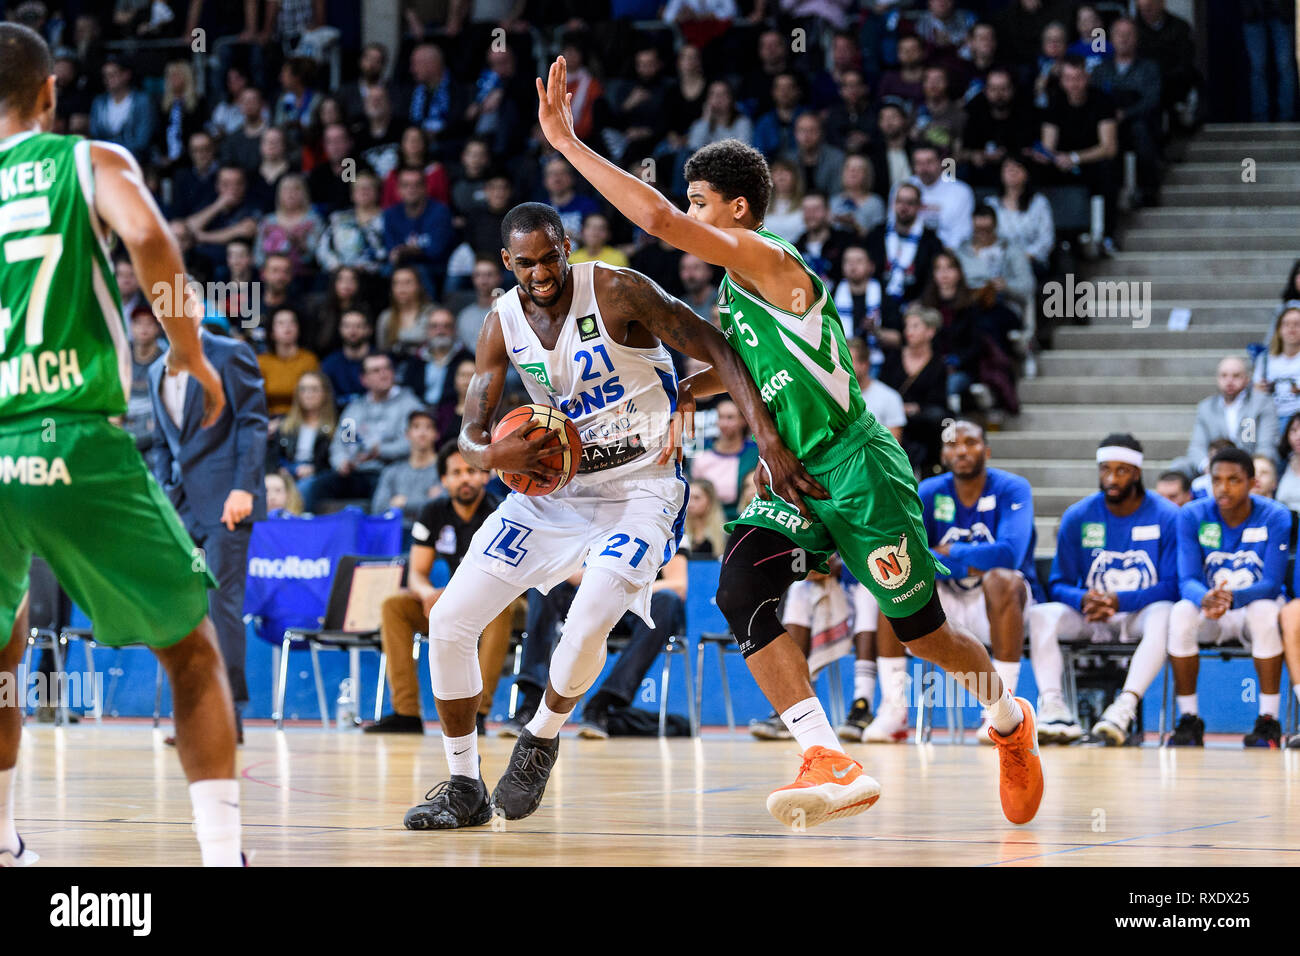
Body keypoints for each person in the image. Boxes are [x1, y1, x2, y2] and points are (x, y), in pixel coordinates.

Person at [537, 59, 1044, 829]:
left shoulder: (773, 262)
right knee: (738, 592)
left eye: (701, 203)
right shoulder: (736, 296)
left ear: (738, 210)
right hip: (792, 474)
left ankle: (1010, 722)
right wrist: (652, 397)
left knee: (926, 637)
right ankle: (824, 751)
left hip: (858, 466)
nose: (688, 215)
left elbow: (660, 226)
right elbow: (728, 371)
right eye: (689, 202)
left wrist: (569, 145)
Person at [402, 200, 813, 830]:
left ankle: (540, 737)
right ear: (506, 263)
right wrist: (491, 455)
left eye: (550, 257)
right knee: (451, 619)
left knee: (589, 617)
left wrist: (764, 438)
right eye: (526, 264)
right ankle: (463, 785)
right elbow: (467, 436)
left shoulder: (618, 290)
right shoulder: (500, 323)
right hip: (554, 491)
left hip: (642, 488)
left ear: (566, 246)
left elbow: (721, 349)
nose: (540, 273)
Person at [0, 22, 242, 867]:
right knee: (192, 650)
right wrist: (188, 352)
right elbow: (145, 237)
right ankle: (222, 857)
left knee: (3, 644)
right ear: (51, 93)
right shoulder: (87, 160)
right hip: (70, 436)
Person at [869, 421, 1041, 742]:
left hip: (1003, 605)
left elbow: (1009, 556)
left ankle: (1001, 710)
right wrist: (971, 562)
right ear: (943, 454)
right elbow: (911, 555)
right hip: (948, 601)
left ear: (986, 450)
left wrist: (950, 551)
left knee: (1001, 579)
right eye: (952, 444)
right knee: (893, 583)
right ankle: (894, 710)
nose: (961, 449)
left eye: (970, 442)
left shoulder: (1013, 488)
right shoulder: (930, 491)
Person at [150, 323, 268, 748]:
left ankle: (228, 715)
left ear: (197, 308)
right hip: (181, 509)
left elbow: (253, 423)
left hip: (226, 504)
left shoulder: (229, 353)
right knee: (186, 608)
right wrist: (165, 491)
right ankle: (195, 711)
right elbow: (164, 442)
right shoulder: (154, 369)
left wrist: (244, 488)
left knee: (222, 605)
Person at [1027, 435, 1180, 746]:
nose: (1111, 478)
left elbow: (1172, 585)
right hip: (1092, 615)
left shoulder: (1167, 516)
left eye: (1121, 470)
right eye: (1105, 469)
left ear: (1137, 472)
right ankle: (1053, 706)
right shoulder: (1078, 516)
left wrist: (1120, 600)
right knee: (1041, 615)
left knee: (1166, 614)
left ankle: (1124, 706)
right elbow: (1057, 582)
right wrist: (1082, 598)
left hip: (1138, 613)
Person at [368, 443, 512, 734]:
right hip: (455, 601)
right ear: (444, 481)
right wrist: (428, 594)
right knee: (394, 606)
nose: (464, 478)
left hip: (500, 600)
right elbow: (417, 575)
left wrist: (455, 596)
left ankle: (477, 713)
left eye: (471, 471)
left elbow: (508, 577)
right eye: (456, 473)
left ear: (485, 476)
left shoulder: (501, 512)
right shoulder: (432, 511)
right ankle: (406, 714)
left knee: (501, 608)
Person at [1167, 447, 1289, 748]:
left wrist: (1233, 597)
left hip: (1250, 609)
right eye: (1217, 479)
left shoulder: (1275, 516)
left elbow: (1272, 583)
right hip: (1212, 612)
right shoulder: (1192, 515)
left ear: (1252, 483)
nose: (1223, 487)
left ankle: (1268, 721)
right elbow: (1187, 581)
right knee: (1181, 612)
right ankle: (1189, 719)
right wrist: (1206, 597)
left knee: (1265, 611)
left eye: (1233, 480)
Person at [311, 353, 422, 510]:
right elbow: (342, 442)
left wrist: (380, 451)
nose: (383, 374)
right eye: (376, 371)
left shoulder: (409, 405)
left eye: (387, 369)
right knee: (315, 488)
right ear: (364, 379)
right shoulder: (356, 408)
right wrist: (342, 462)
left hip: (390, 472)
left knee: (380, 492)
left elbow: (413, 443)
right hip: (355, 472)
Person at [1172, 355, 1281, 478]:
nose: (1229, 381)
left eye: (1236, 376)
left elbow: (1266, 447)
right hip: (1213, 467)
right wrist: (1208, 466)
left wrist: (1246, 468)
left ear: (1247, 379)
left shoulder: (1262, 403)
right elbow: (1196, 447)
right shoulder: (1206, 407)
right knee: (1178, 466)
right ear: (1217, 378)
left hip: (1249, 468)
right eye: (1224, 375)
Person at [879, 305, 949, 476]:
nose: (909, 331)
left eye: (915, 326)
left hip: (923, 418)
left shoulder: (938, 363)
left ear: (930, 332)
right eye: (907, 326)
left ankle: (937, 465)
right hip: (893, 414)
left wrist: (915, 408)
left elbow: (939, 398)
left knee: (943, 419)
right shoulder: (894, 357)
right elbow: (882, 387)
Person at [688, 399, 759, 521]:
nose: (724, 423)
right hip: (705, 521)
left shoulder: (754, 452)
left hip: (743, 518)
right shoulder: (702, 450)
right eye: (720, 417)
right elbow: (694, 488)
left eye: (730, 418)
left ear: (743, 420)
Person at [371, 407, 443, 519]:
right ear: (407, 434)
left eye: (428, 427)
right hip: (396, 533)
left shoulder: (445, 469)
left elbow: (442, 508)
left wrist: (402, 503)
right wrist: (425, 501)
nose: (422, 433)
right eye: (416, 427)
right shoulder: (392, 471)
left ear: (436, 434)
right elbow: (378, 509)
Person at [271, 371, 336, 487]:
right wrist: (281, 469)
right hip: (290, 471)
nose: (308, 394)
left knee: (305, 486)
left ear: (325, 393)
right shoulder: (285, 424)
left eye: (314, 389)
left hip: (320, 476)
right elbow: (275, 455)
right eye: (303, 389)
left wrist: (314, 469)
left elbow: (340, 458)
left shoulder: (339, 423)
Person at [257, 307, 320, 419]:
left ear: (298, 328)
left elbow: (315, 399)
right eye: (281, 323)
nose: (287, 327)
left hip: (301, 420)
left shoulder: (309, 360)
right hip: (268, 421)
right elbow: (255, 401)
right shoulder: (261, 361)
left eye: (292, 322)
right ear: (272, 332)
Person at [1253, 305, 1300, 436]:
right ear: (1278, 329)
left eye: (1297, 324)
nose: (1292, 329)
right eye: (1286, 324)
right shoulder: (1265, 359)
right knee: (1249, 424)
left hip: (1297, 417)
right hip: (1272, 416)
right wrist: (1261, 388)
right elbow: (1256, 391)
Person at [321, 309, 374, 409]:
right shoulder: (330, 364)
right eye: (347, 326)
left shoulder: (381, 361)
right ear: (340, 329)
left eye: (358, 326)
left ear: (369, 329)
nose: (352, 331)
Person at [376, 266, 436, 354]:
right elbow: (382, 351)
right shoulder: (386, 317)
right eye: (396, 283)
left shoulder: (432, 313)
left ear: (419, 286)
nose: (401, 287)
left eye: (408, 282)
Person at [685, 478, 726, 557]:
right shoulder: (679, 531)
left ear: (710, 501)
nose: (690, 503)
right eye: (687, 497)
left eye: (696, 498)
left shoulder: (724, 534)